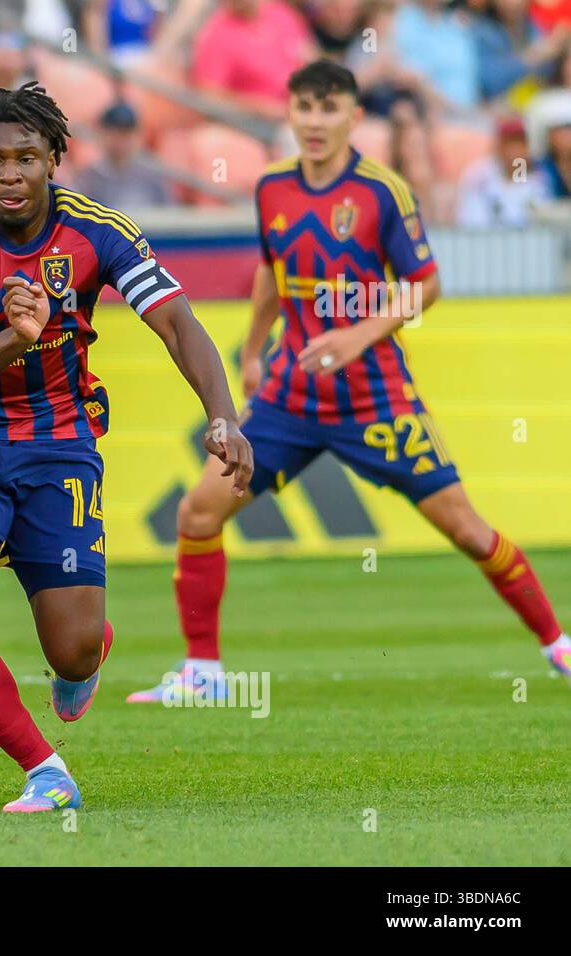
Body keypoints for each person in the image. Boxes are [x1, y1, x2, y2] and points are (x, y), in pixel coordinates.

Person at [128, 61, 570, 704]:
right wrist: (253, 352)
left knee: (468, 530)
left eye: (328, 108)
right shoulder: (272, 187)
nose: (314, 122)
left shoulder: (382, 192)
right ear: (290, 113)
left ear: (353, 117)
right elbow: (272, 271)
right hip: (290, 396)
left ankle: (557, 645)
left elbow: (426, 285)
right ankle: (205, 674)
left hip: (376, 398)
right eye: (303, 108)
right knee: (199, 511)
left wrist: (357, 335)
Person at [0, 83, 251, 812]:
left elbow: (179, 324)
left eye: (26, 157)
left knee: (73, 649)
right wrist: (17, 336)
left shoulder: (99, 231)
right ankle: (44, 770)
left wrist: (221, 415)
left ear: (55, 160)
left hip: (61, 443)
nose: (8, 173)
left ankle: (83, 647)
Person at [73, 100, 170, 210]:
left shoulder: (151, 177)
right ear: (101, 134)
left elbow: (168, 216)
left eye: (126, 133)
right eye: (114, 133)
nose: (120, 140)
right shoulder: (88, 179)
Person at [455, 116, 553, 226]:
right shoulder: (478, 174)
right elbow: (470, 220)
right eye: (509, 143)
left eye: (520, 143)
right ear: (498, 145)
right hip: (482, 239)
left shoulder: (541, 179)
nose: (514, 150)